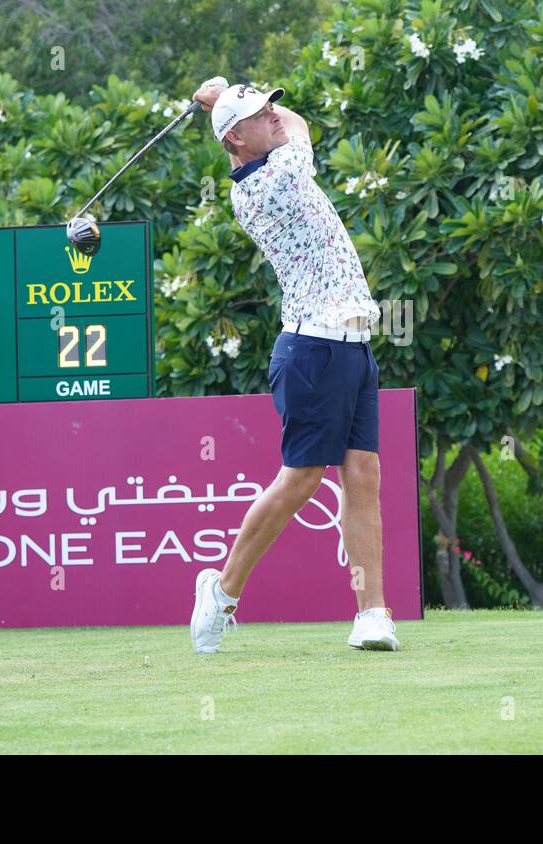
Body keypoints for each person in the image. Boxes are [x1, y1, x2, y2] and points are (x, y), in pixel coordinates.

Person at [186, 76, 398, 654]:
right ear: (235, 140)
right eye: (260, 114)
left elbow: (290, 123)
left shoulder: (270, 156)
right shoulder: (271, 180)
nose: (275, 116)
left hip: (352, 345)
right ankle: (223, 593)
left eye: (272, 107)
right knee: (302, 478)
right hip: (312, 349)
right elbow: (302, 127)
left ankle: (373, 615)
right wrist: (221, 96)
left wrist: (226, 97)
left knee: (363, 475)